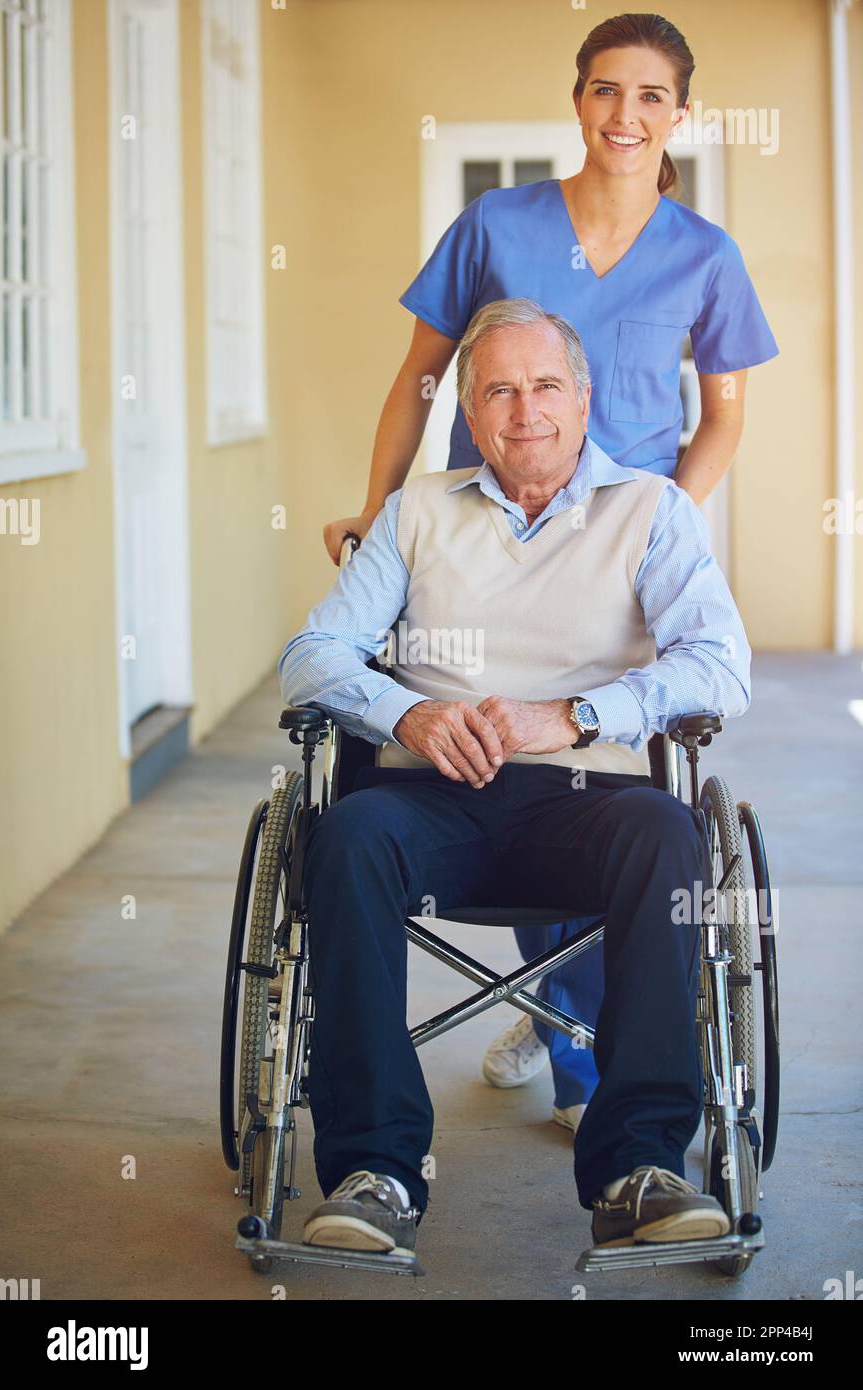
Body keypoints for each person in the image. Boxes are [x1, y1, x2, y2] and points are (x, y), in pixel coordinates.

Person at [320, 12, 778, 1128]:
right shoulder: (497, 224)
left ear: (680, 115)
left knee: (598, 760)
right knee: (490, 729)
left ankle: (573, 1029)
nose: (626, 115)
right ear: (577, 102)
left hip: (618, 546)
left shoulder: (702, 254)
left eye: (650, 97)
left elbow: (721, 415)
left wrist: (659, 521)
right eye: (604, 91)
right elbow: (422, 378)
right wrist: (381, 512)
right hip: (489, 530)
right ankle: (566, 1020)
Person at [279, 298, 752, 1255]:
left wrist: (575, 713)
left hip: (588, 799)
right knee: (348, 837)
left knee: (668, 832)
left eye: (545, 386)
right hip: (426, 795)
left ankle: (638, 1167)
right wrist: (403, 711)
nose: (524, 409)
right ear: (473, 411)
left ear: (583, 401)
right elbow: (312, 654)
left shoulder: (651, 512)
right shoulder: (417, 513)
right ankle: (376, 1172)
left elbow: (721, 665)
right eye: (498, 389)